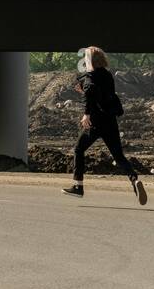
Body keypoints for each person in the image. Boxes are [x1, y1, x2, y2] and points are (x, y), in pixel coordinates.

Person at [63, 46, 147, 206]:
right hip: (110, 120)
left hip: (95, 122)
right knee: (118, 156)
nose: (84, 59)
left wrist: (86, 114)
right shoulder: (107, 75)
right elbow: (98, 94)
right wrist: (85, 90)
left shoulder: (89, 78)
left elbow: (90, 91)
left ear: (91, 61)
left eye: (86, 57)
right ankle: (134, 180)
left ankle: (77, 186)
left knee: (79, 150)